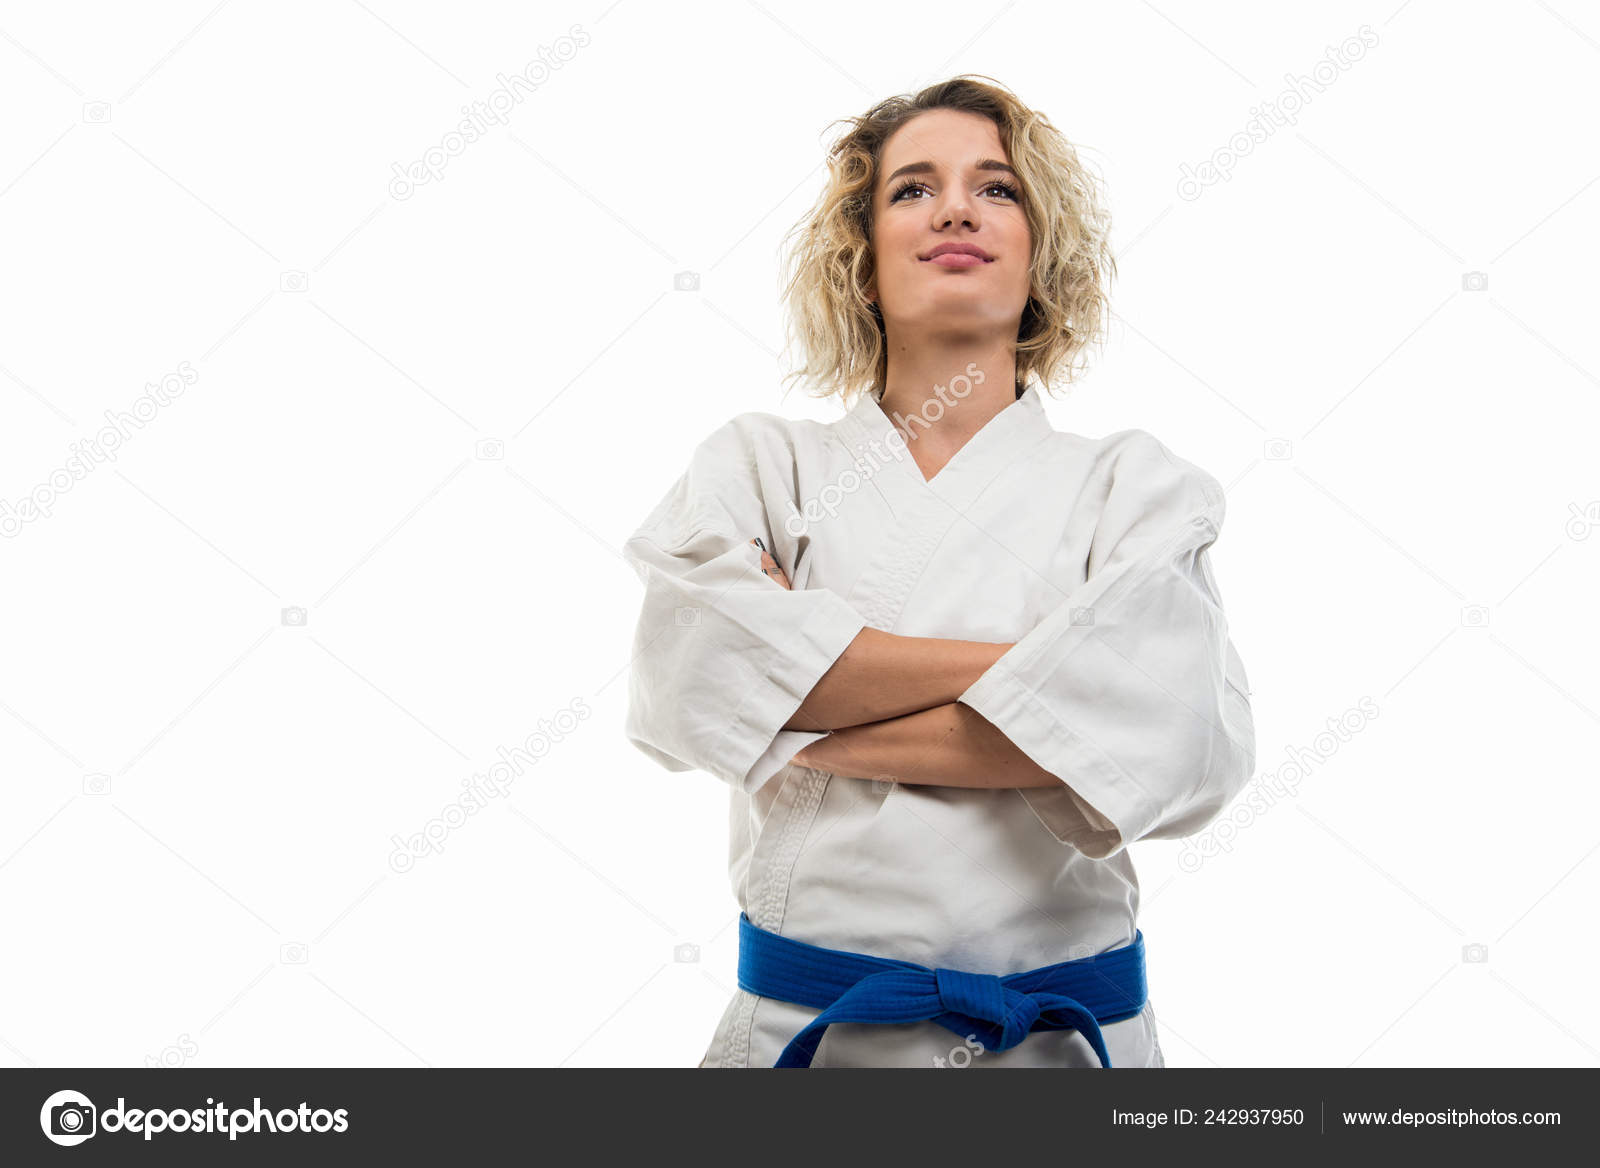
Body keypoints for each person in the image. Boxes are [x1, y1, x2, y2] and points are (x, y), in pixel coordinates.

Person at [622, 75, 1255, 1068]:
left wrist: (799, 712)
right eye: (913, 188)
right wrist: (1048, 675)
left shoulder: (1134, 485)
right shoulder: (760, 467)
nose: (956, 207)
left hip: (1066, 1047)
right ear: (861, 261)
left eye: (997, 189)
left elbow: (1176, 743)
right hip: (811, 1037)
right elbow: (687, 681)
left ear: (1040, 256)